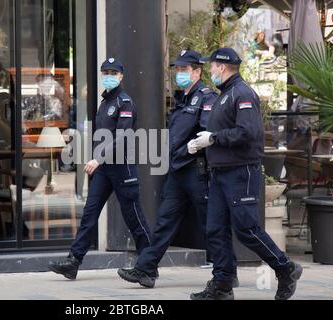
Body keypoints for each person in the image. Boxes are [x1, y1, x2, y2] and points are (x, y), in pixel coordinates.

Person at [188, 48, 303, 300]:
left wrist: (213, 138)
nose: (210, 70)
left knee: (246, 229)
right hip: (220, 173)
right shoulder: (225, 94)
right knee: (215, 229)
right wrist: (202, 143)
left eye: (213, 66)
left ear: (223, 67)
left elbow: (248, 132)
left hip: (241, 172)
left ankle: (286, 268)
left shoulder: (242, 93)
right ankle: (222, 284)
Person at [117, 50, 223, 289]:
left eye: (184, 70)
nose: (179, 73)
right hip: (177, 171)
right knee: (165, 221)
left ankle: (226, 272)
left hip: (196, 171)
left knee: (211, 224)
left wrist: (189, 152)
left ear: (197, 72)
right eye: (177, 69)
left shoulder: (206, 98)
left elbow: (206, 135)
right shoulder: (182, 98)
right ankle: (146, 270)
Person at [48, 58, 152, 280]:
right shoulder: (105, 103)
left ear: (121, 76)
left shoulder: (125, 103)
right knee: (90, 213)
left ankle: (148, 265)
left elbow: (122, 136)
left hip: (122, 168)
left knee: (134, 217)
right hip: (105, 169)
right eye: (105, 71)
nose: (109, 75)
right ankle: (73, 261)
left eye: (113, 72)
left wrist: (98, 159)